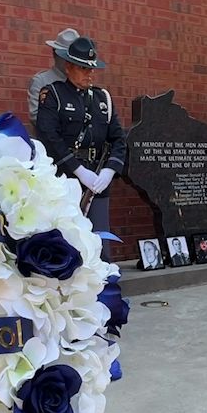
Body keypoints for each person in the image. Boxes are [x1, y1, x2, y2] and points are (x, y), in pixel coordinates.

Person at [35, 36, 126, 260]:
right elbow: (49, 137)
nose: (89, 73)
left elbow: (119, 139)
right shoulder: (53, 95)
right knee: (68, 243)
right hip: (65, 180)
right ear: (68, 67)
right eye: (83, 68)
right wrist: (78, 170)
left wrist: (109, 171)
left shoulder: (102, 99)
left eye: (91, 68)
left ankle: (105, 282)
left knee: (100, 243)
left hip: (97, 181)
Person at [28, 28, 78, 126]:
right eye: (65, 56)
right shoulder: (41, 81)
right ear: (55, 54)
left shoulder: (82, 82)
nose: (70, 61)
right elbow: (36, 117)